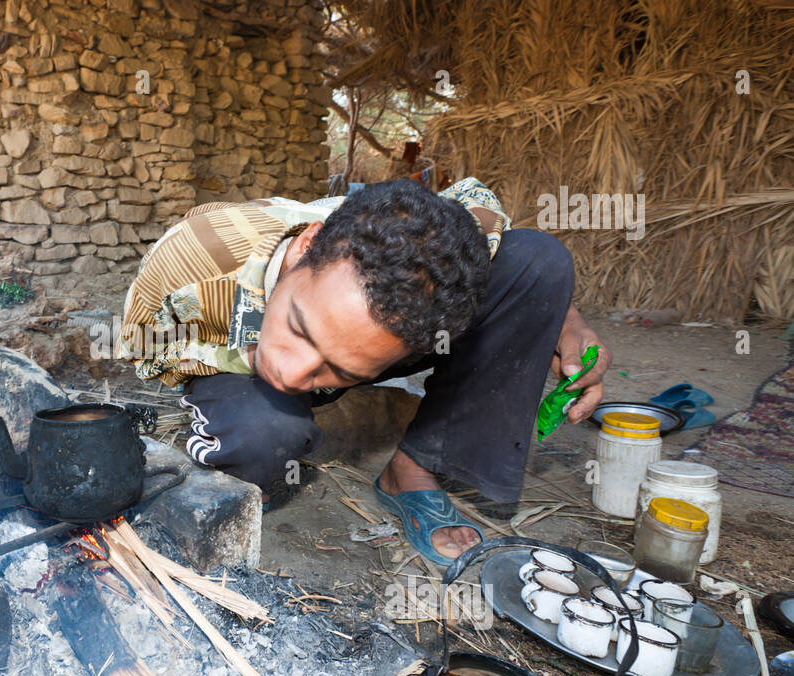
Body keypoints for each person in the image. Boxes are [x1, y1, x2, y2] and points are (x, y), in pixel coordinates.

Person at [117, 178, 609, 565]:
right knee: (264, 433)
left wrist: (564, 321)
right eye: (299, 329)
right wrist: (242, 358)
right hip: (233, 351)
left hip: (381, 341)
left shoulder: (464, 233)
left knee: (538, 260)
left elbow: (476, 208)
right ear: (308, 245)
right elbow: (145, 351)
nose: (291, 373)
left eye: (337, 367)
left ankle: (411, 469)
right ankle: (267, 444)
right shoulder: (197, 257)